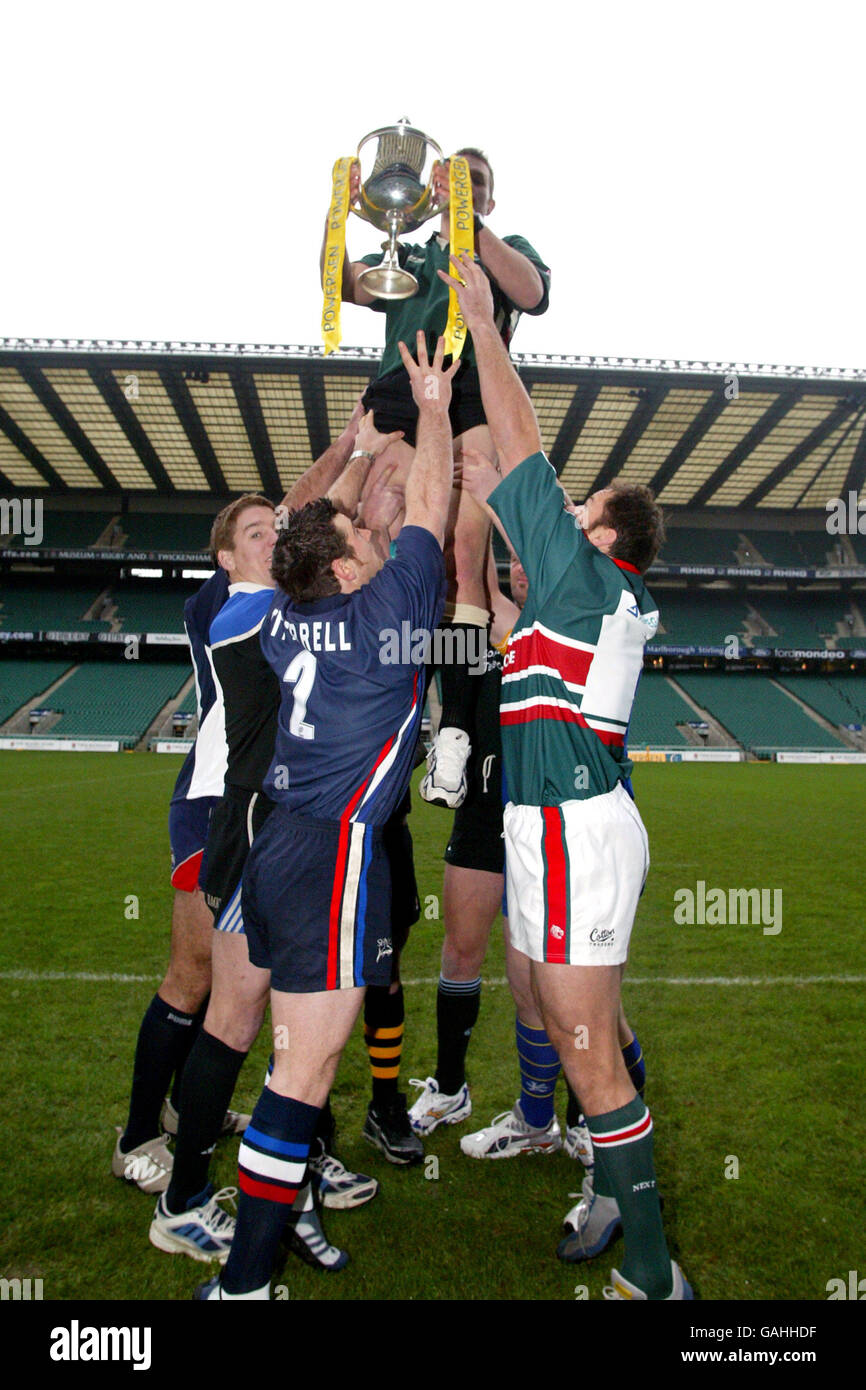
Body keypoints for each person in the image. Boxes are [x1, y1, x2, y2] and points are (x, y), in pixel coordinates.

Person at [443, 252, 691, 1301]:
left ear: (602, 536)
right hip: (553, 823)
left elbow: (518, 447)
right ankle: (604, 1170)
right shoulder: (582, 595)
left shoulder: (587, 577)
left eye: (575, 509)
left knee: (580, 1034)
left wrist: (483, 327)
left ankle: (650, 1268)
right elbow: (498, 495)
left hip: (571, 830)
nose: (560, 514)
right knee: (552, 1001)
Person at [195, 332, 454, 1300]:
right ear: (345, 569)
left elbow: (309, 518)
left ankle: (260, 1242)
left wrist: (349, 462)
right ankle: (245, 1279)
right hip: (334, 857)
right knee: (304, 1072)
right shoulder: (386, 616)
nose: (372, 535)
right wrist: (429, 408)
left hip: (279, 842)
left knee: (291, 1058)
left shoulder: (289, 608)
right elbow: (428, 505)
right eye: (359, 539)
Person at [324, 146, 550, 808]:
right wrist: (340, 210)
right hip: (400, 385)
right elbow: (341, 283)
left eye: (476, 183)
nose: (465, 189)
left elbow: (530, 293)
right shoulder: (414, 255)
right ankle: (376, 703)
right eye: (456, 182)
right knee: (373, 539)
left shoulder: (503, 243)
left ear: (490, 197)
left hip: (472, 383)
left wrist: (465, 217)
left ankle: (451, 734)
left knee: (463, 557)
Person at [112, 565, 243, 1195]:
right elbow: (295, 510)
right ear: (224, 555)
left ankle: (188, 1110)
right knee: (191, 976)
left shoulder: (276, 601)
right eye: (252, 533)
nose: (269, 538)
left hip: (249, 808)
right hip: (209, 805)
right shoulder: (214, 602)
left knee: (228, 982)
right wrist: (348, 458)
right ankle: (136, 1138)